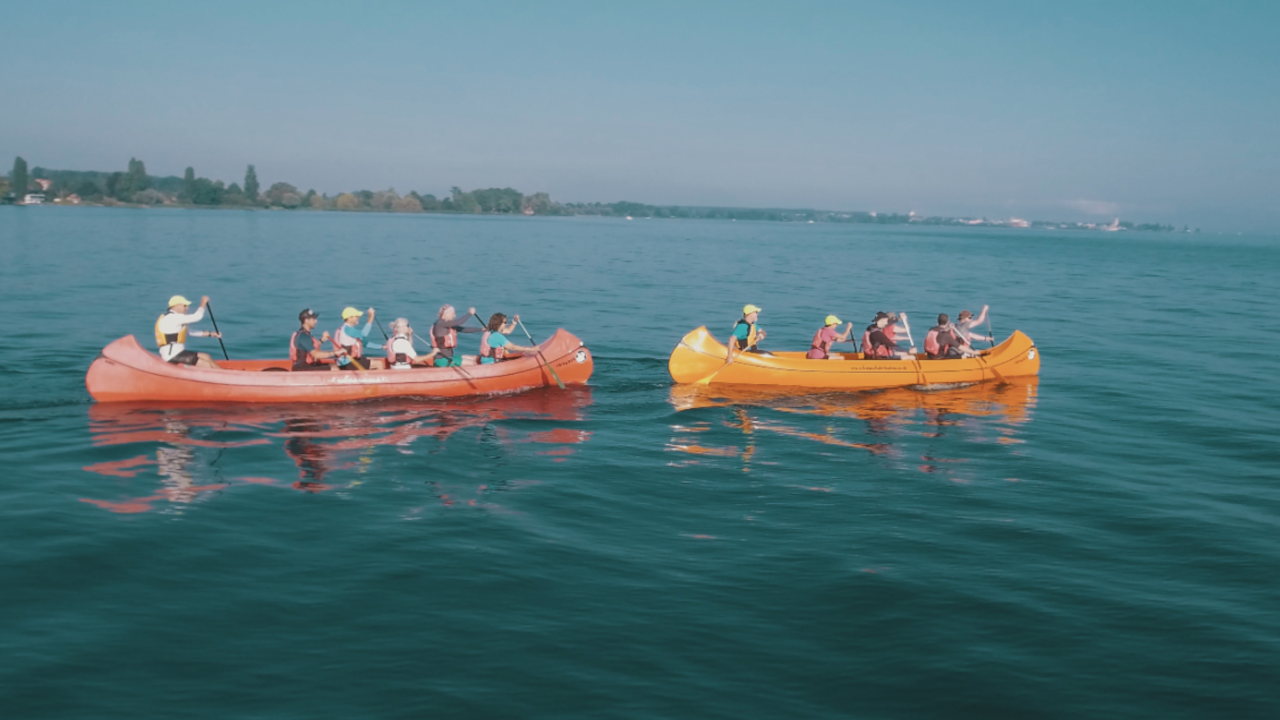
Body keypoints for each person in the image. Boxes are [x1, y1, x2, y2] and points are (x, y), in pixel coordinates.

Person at [155, 295, 222, 369]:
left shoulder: (175, 319)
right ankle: (218, 378)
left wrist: (211, 334)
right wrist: (203, 302)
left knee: (206, 356)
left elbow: (191, 332)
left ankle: (224, 375)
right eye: (185, 306)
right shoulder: (172, 318)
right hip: (172, 356)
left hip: (179, 353)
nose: (187, 308)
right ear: (177, 305)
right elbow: (197, 317)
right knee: (205, 365)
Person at [334, 306, 378, 370]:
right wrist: (371, 317)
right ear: (349, 318)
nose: (358, 318)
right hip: (348, 362)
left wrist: (382, 347)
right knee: (379, 364)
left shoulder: (348, 329)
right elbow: (364, 333)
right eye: (356, 316)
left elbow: (364, 343)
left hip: (348, 361)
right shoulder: (347, 329)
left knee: (371, 360)